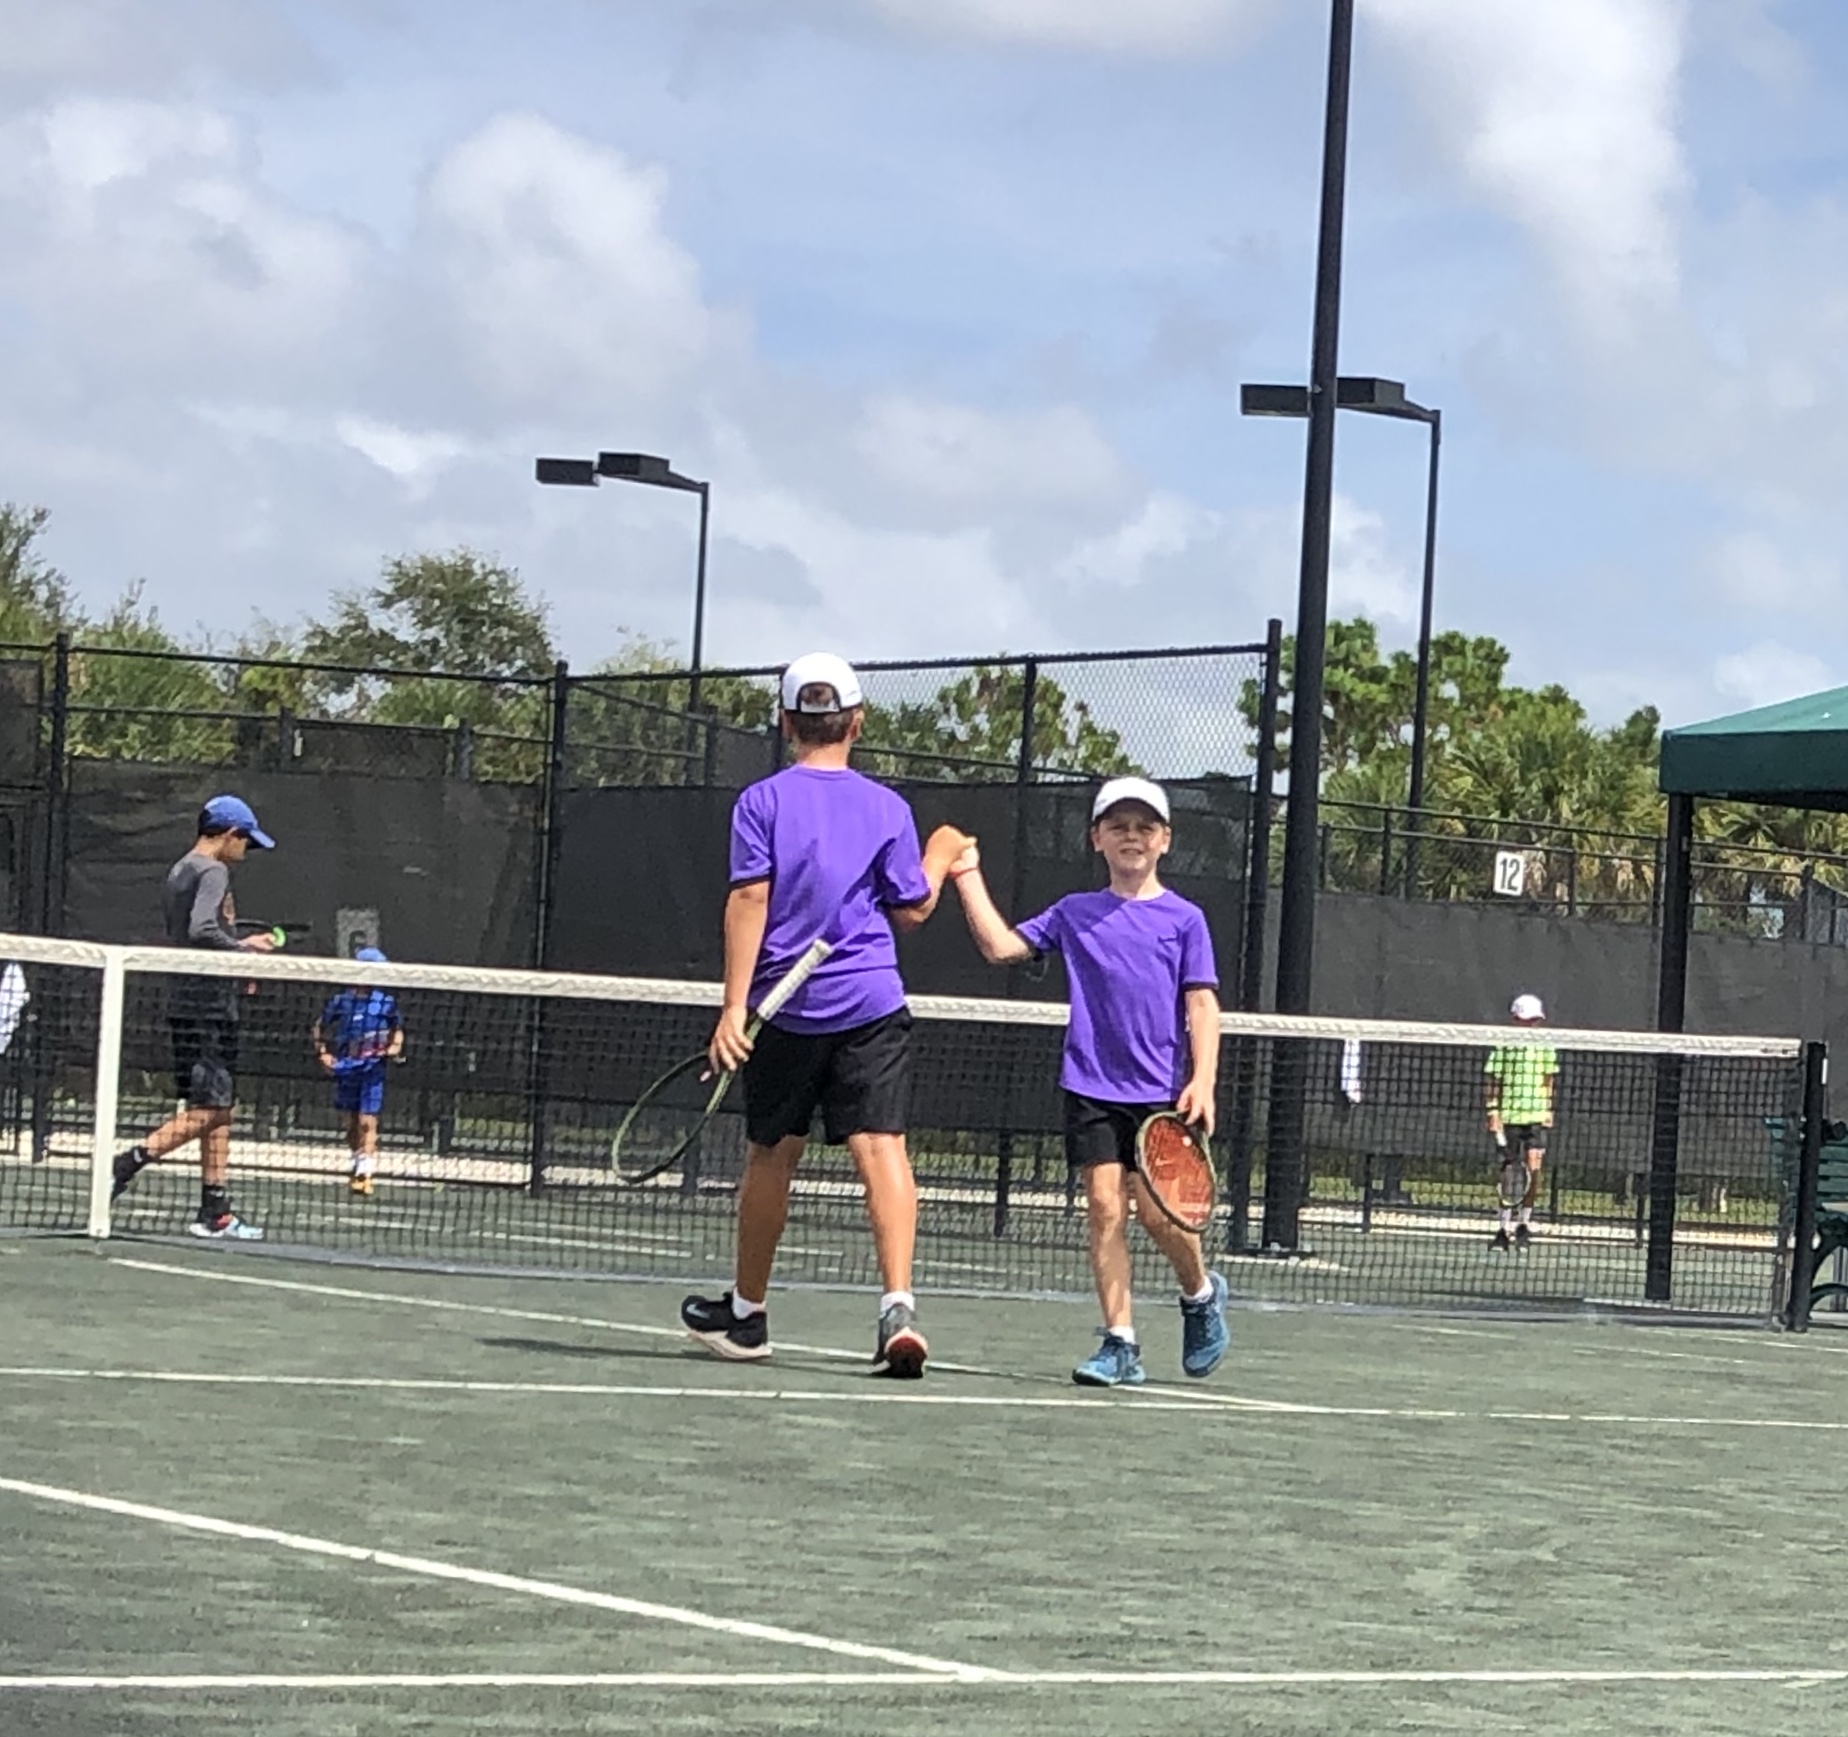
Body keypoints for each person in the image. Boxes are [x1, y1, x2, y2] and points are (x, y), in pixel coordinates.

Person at [680, 653, 968, 1378]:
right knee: (884, 1149)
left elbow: (749, 898)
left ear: (786, 724)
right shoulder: (888, 808)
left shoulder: (760, 802)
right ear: (857, 723)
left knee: (770, 1155)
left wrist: (734, 1008)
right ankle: (897, 1309)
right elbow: (913, 907)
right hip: (869, 1005)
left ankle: (748, 1316)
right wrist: (940, 851)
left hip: (784, 1011)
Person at [949, 776, 1231, 1388]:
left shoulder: (1186, 920)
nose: (1132, 837)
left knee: (1161, 1219)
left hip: (1161, 1096)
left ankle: (1201, 1293)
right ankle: (1120, 1342)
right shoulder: (1074, 912)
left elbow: (1202, 1005)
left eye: (1145, 828)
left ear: (1165, 840)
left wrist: (1203, 1079)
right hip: (1091, 1087)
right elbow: (1000, 947)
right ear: (1096, 838)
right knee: (1105, 1208)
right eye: (1118, 826)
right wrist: (965, 873)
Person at [112, 794, 279, 1239]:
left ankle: (215, 1210)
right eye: (246, 841)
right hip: (207, 1007)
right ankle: (127, 1163)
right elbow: (202, 928)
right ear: (230, 834)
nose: (246, 851)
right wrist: (242, 948)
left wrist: (238, 956)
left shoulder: (180, 869)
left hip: (189, 1001)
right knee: (214, 1107)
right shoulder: (213, 870)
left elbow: (199, 933)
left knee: (218, 1107)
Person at [313, 948, 404, 1198]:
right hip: (345, 1067)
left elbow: (397, 1029)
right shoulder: (341, 1001)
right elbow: (319, 1027)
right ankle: (357, 1161)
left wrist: (395, 1046)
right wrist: (323, 1053)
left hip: (373, 1068)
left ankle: (365, 1173)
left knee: (367, 1121)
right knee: (350, 1123)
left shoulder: (386, 1002)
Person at [1485, 992, 1559, 1252]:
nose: (1531, 1025)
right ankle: (1502, 1229)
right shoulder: (1504, 1045)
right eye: (1526, 1020)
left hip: (1536, 1118)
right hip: (1510, 1118)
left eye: (1534, 1020)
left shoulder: (1545, 1044)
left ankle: (1524, 1225)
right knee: (1509, 1174)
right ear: (1515, 1019)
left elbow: (1548, 1079)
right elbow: (1493, 1080)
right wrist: (1493, 1111)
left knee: (1534, 1169)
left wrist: (1548, 1108)